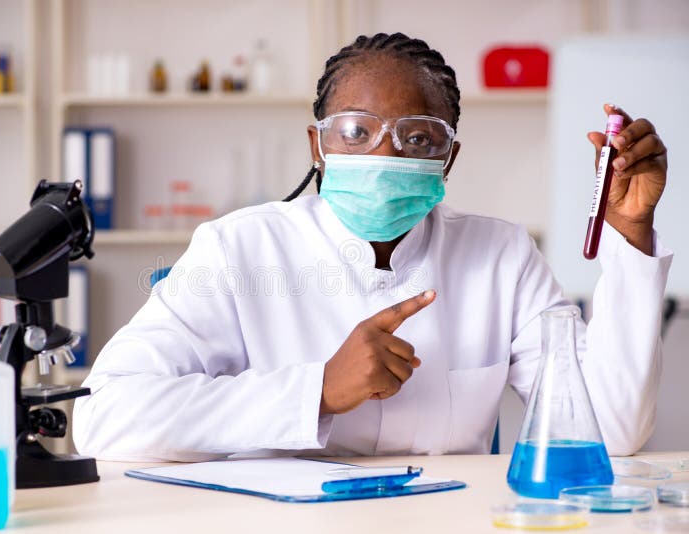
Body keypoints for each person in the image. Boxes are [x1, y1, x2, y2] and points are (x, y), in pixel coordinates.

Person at [73, 33, 672, 462]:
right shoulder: (238, 248)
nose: (385, 155)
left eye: (417, 136)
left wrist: (631, 234)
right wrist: (318, 391)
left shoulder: (502, 254)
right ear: (318, 147)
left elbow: (609, 430)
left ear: (449, 158)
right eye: (357, 132)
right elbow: (106, 417)